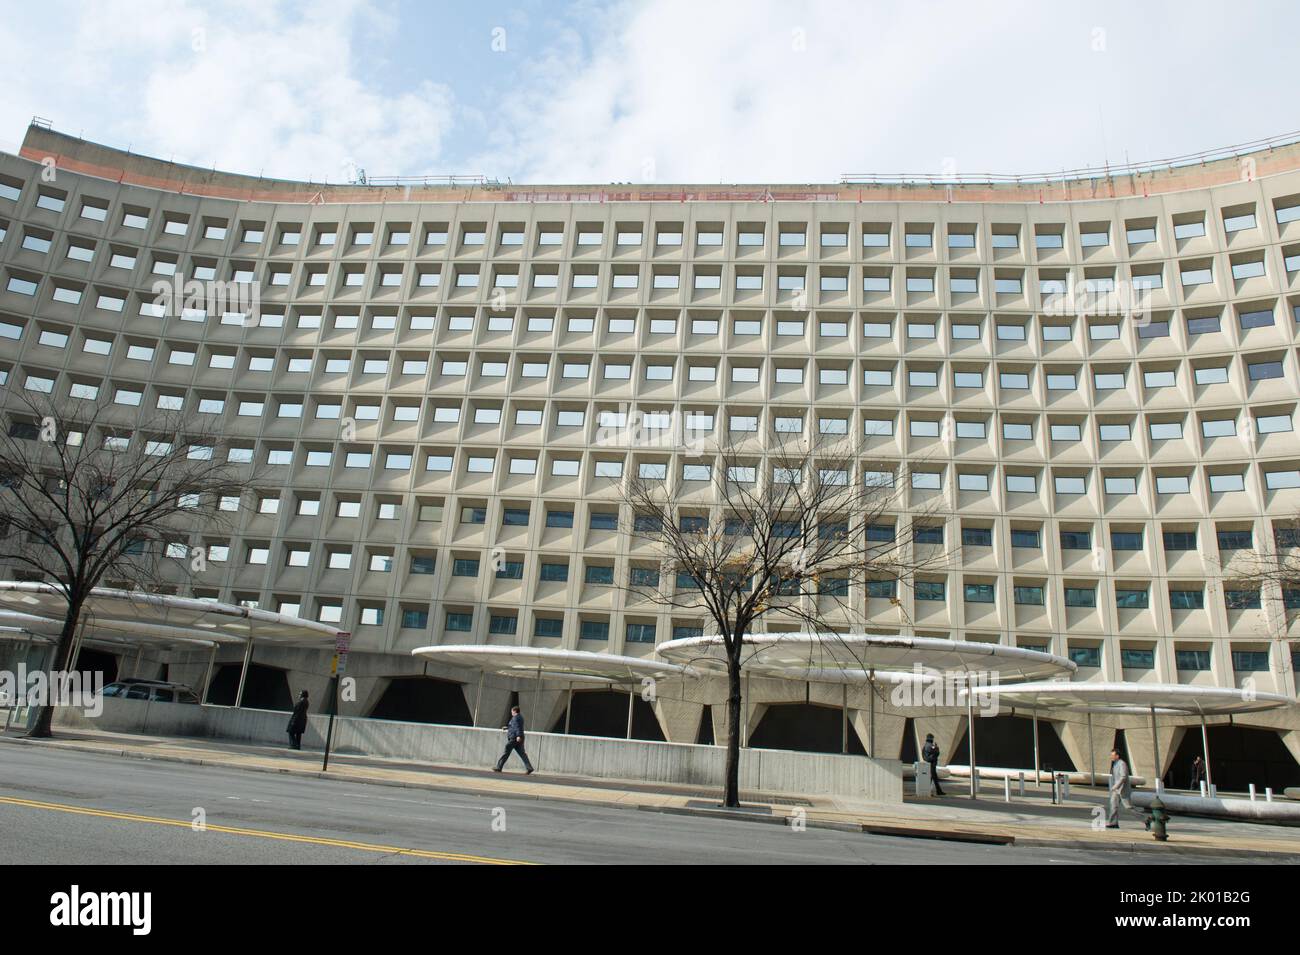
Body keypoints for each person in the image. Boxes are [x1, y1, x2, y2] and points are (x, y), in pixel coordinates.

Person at [1106, 749, 1150, 830]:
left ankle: (1146, 820)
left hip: (1123, 790)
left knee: (1128, 807)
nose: (1111, 757)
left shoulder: (1122, 764)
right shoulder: (1115, 764)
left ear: (1117, 756)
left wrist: (1116, 786)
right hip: (1116, 790)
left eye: (1112, 755)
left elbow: (1123, 777)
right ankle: (1113, 823)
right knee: (1113, 806)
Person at [494, 705, 534, 774]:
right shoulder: (520, 717)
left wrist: (518, 736)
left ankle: (499, 767)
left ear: (515, 711)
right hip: (518, 738)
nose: (511, 713)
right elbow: (514, 726)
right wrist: (507, 728)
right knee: (522, 754)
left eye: (512, 711)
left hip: (514, 738)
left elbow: (518, 727)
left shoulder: (515, 718)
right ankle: (529, 768)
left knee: (506, 751)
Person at [921, 732, 945, 796]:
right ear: (931, 738)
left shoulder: (926, 745)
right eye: (932, 738)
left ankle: (934, 791)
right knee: (933, 777)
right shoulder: (930, 745)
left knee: (932, 778)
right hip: (932, 763)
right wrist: (937, 748)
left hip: (929, 762)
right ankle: (937, 791)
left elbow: (924, 754)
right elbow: (936, 753)